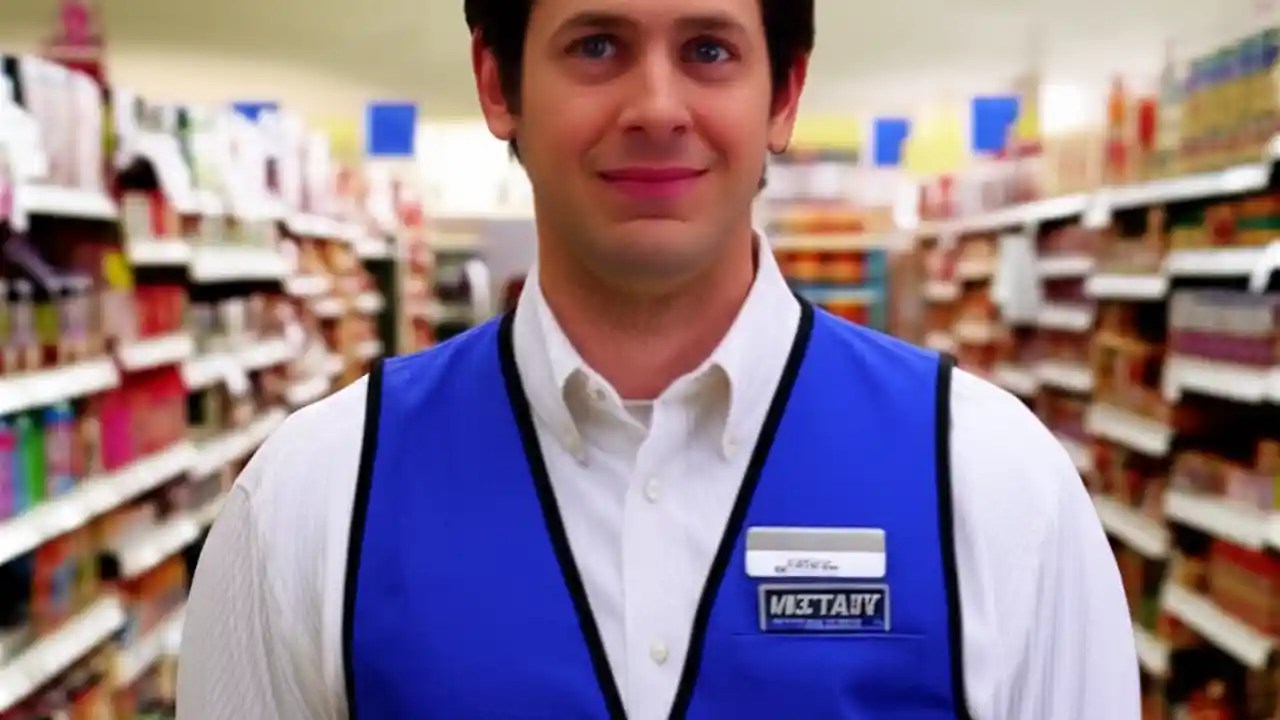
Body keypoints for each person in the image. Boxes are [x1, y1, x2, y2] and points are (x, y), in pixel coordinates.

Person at [176, 0, 1141, 717]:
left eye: (709, 50)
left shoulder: (995, 484)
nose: (657, 106)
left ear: (785, 93)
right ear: (498, 83)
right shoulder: (308, 500)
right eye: (597, 45)